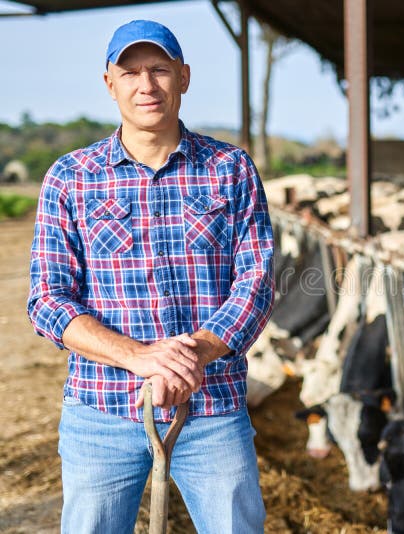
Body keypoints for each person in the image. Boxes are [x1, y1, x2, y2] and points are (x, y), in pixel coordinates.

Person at [27, 19, 273, 533]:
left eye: (159, 70)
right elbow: (48, 301)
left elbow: (256, 283)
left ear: (183, 77)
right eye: (131, 72)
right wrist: (141, 358)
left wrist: (189, 358)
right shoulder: (70, 177)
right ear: (109, 83)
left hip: (212, 407)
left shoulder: (230, 168)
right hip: (102, 411)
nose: (146, 85)